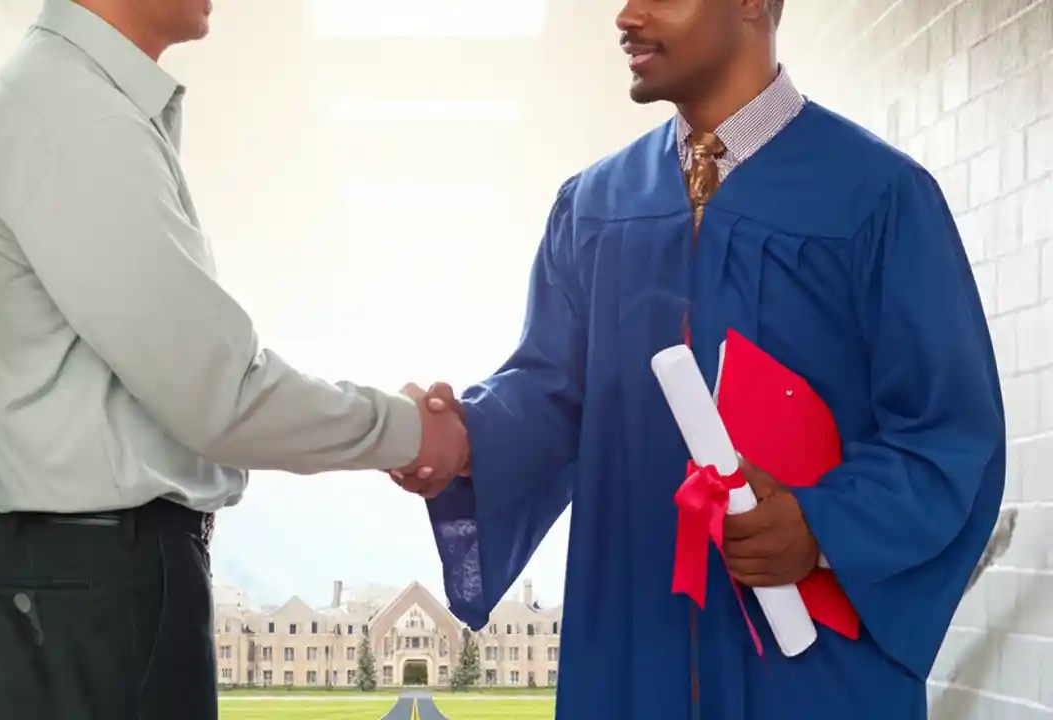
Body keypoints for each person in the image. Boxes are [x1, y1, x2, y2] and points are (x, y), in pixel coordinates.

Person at [395, 0, 1005, 717]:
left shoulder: (878, 197)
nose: (627, 15)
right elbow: (553, 395)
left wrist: (823, 526)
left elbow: (947, 435)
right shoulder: (594, 206)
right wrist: (466, 438)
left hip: (809, 673)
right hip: (633, 652)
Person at [0, 1, 468, 718]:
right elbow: (220, 394)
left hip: (69, 582)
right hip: (90, 590)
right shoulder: (75, 116)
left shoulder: (61, 97)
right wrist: (412, 431)